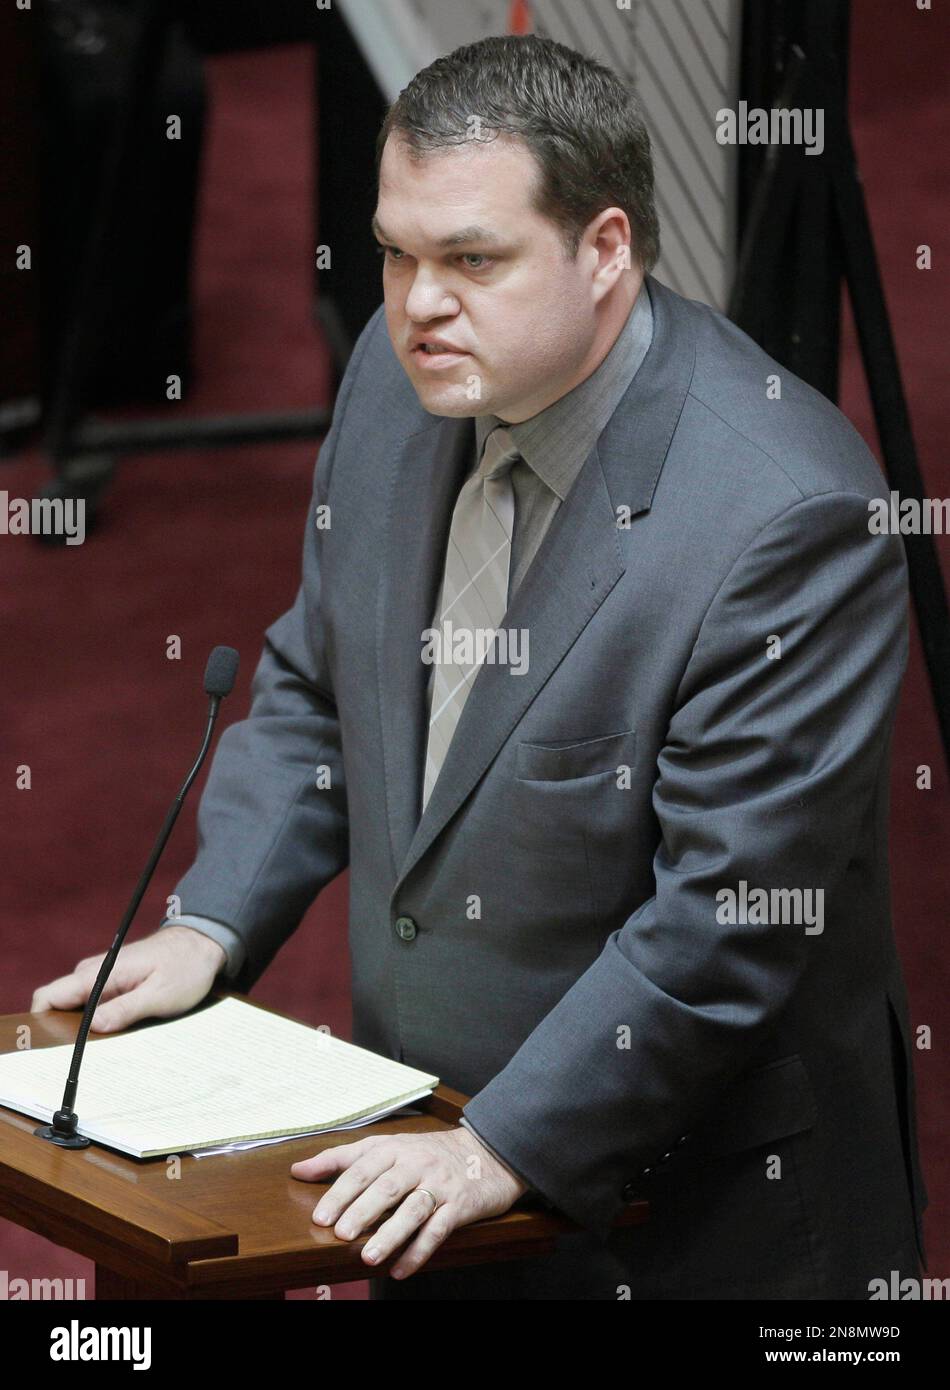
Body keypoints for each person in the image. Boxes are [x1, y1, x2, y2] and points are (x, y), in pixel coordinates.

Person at [32, 34, 928, 1300]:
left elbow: (723, 920)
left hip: (687, 1226)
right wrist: (214, 923)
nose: (416, 302)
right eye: (396, 252)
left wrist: (505, 1140)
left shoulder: (787, 519)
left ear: (605, 248)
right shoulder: (401, 386)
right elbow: (313, 687)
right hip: (429, 1176)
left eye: (471, 259)